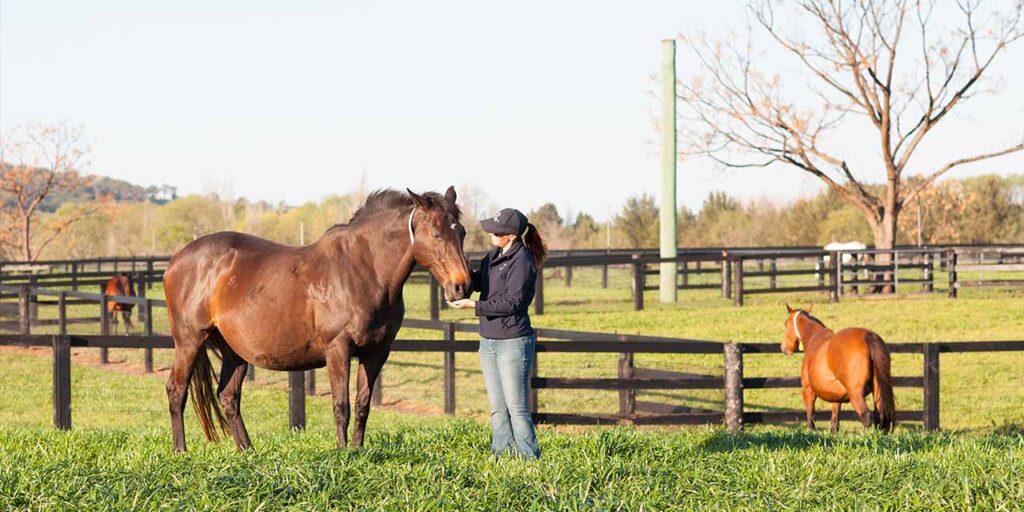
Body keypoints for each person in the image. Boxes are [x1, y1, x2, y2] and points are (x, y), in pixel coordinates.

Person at [448, 208, 547, 459]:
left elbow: (513, 303)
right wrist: (461, 274)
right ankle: (501, 454)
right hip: (488, 340)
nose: (492, 232)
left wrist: (475, 306)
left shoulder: (522, 262)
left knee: (516, 407)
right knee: (497, 407)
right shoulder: (493, 255)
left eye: (497, 230)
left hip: (513, 343)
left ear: (511, 236)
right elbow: (481, 282)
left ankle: (529, 457)